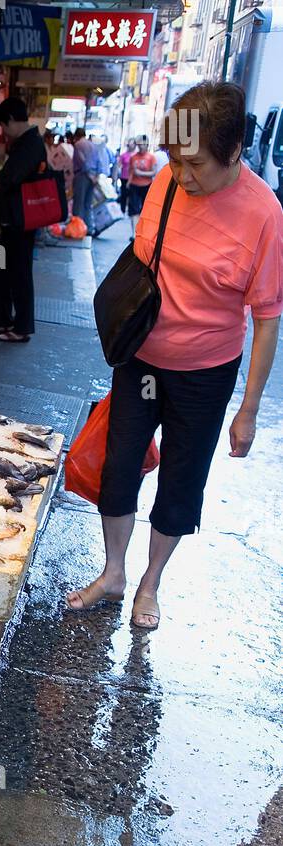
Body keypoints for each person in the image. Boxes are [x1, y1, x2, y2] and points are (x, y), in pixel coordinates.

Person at [67, 82, 283, 631]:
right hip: (142, 358)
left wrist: (249, 408)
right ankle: (113, 571)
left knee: (181, 484)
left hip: (206, 373)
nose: (181, 176)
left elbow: (266, 317)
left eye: (195, 165)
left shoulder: (265, 215)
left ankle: (150, 582)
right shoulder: (166, 179)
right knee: (118, 469)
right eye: (174, 161)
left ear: (233, 152)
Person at [0, 97, 46, 344]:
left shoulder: (29, 144)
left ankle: (21, 327)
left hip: (20, 223)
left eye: (3, 125)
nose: (3, 131)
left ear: (10, 120)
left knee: (19, 273)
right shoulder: (24, 143)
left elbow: (12, 178)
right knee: (0, 269)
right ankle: (0, 319)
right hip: (8, 222)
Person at [72, 127, 104, 234]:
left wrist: (90, 175)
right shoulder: (93, 145)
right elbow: (99, 161)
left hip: (83, 175)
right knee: (88, 204)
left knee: (79, 203)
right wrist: (96, 176)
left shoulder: (78, 145)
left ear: (76, 136)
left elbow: (83, 162)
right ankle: (89, 228)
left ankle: (78, 228)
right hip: (93, 176)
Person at [126, 134, 156, 238]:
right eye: (139, 145)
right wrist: (129, 182)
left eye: (143, 145)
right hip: (134, 185)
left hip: (146, 185)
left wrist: (141, 173)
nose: (141, 147)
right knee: (134, 210)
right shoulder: (133, 157)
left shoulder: (151, 157)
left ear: (147, 145)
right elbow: (131, 171)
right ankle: (133, 233)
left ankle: (142, 233)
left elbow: (153, 172)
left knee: (144, 210)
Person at [45, 128, 73, 202]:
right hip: (48, 175)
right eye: (52, 138)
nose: (53, 140)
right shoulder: (45, 149)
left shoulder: (53, 147)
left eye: (54, 138)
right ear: (47, 139)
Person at [117, 140, 135, 213]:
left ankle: (131, 211)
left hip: (134, 178)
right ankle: (122, 210)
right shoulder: (123, 155)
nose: (131, 146)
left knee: (132, 195)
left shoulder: (136, 155)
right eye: (129, 144)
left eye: (132, 144)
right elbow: (119, 165)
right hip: (124, 177)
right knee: (123, 194)